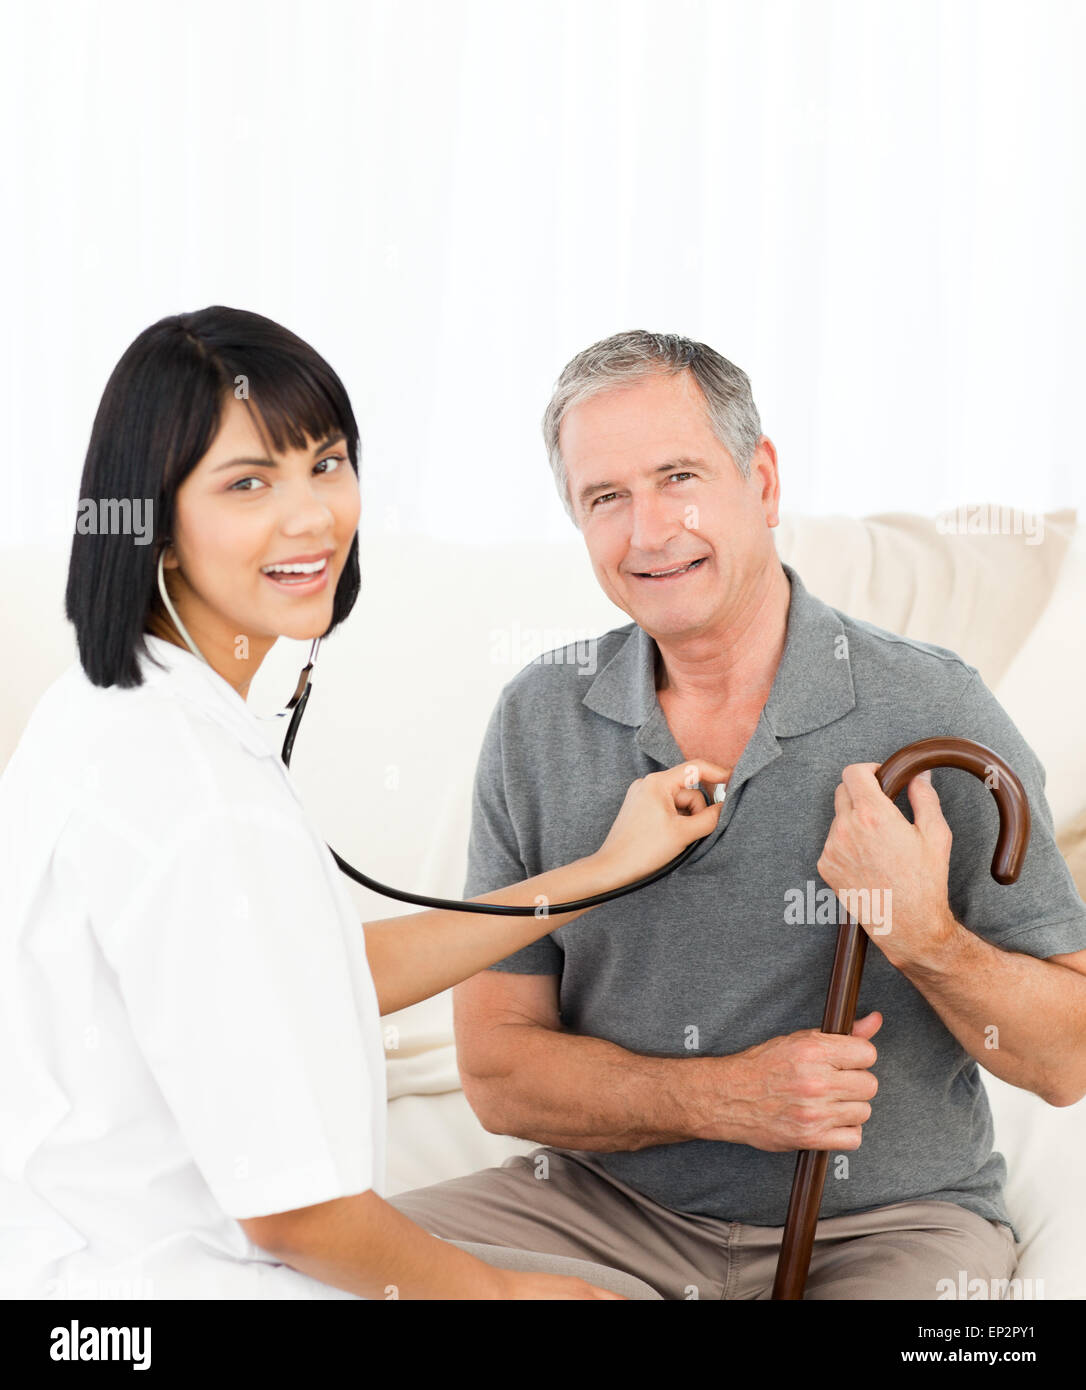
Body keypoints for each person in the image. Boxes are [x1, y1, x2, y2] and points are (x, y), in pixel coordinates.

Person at [0, 308, 729, 1301]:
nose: (311, 517)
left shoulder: (105, 708)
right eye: (249, 481)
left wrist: (600, 875)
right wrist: (507, 1298)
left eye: (326, 462)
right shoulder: (198, 794)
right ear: (157, 521)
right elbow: (295, 1211)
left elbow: (307, 973)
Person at [388, 329, 1086, 1300]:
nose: (648, 531)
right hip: (600, 1212)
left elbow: (1069, 1061)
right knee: (324, 1272)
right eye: (605, 498)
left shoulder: (929, 707)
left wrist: (927, 938)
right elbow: (502, 1073)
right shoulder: (540, 718)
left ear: (760, 481)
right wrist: (726, 1098)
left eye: (679, 476)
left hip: (887, 1227)